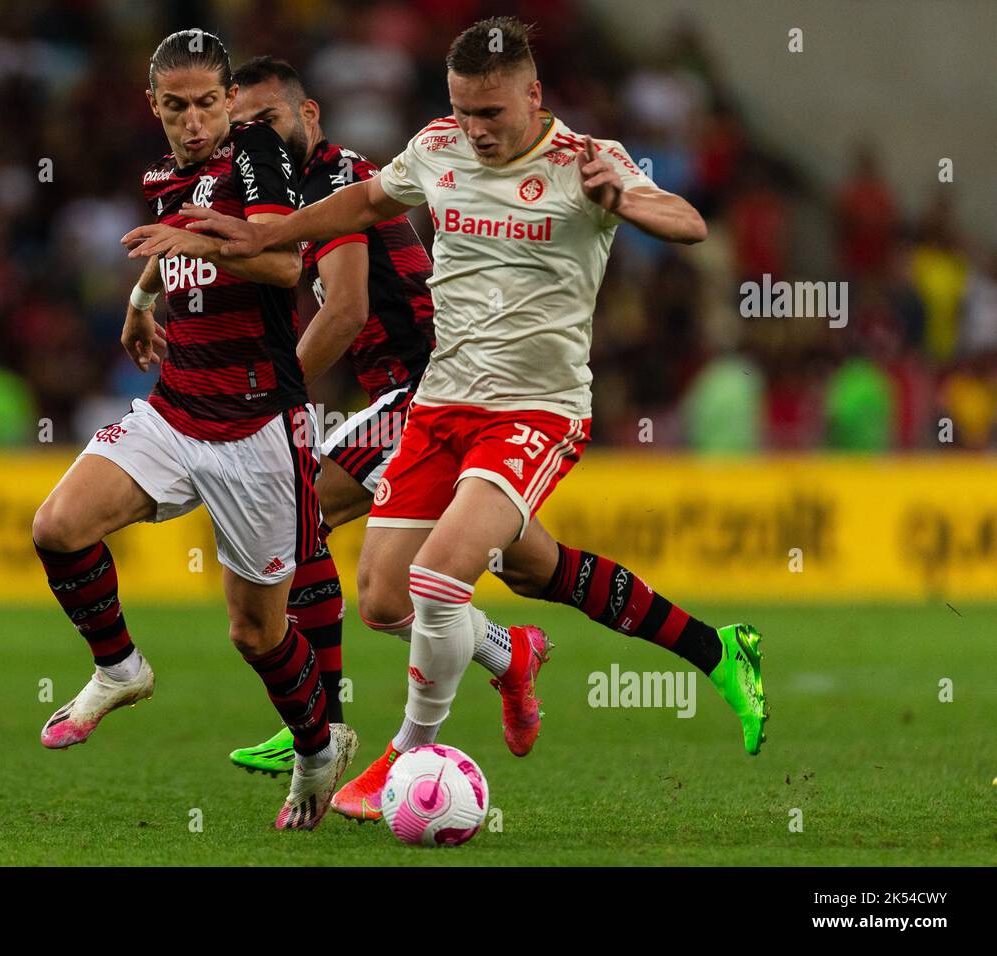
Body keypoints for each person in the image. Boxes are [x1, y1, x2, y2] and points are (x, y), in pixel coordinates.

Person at [133, 17, 768, 824]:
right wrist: (260, 236)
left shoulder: (585, 161)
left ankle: (390, 752)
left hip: (533, 413)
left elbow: (687, 218)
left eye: (493, 114)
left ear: (534, 97)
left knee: (424, 571)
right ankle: (711, 649)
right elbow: (362, 204)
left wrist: (632, 204)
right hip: (440, 405)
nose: (477, 130)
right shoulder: (436, 146)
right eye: (465, 111)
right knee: (403, 596)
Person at [34, 29, 355, 832]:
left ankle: (318, 749)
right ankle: (120, 667)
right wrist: (145, 299)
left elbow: (284, 265)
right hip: (176, 410)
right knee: (58, 526)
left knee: (256, 633)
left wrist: (192, 241)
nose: (193, 120)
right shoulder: (167, 173)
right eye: (175, 107)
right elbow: (181, 229)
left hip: (255, 427)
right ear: (154, 106)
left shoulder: (259, 152)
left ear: (227, 98)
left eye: (207, 102)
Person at [222, 57, 568, 783]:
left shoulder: (332, 182)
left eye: (268, 120)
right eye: (242, 127)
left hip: (424, 389)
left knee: (301, 511)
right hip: (409, 391)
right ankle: (505, 655)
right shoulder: (304, 186)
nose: (255, 137)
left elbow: (345, 311)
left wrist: (270, 394)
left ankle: (321, 725)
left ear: (308, 113)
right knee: (522, 564)